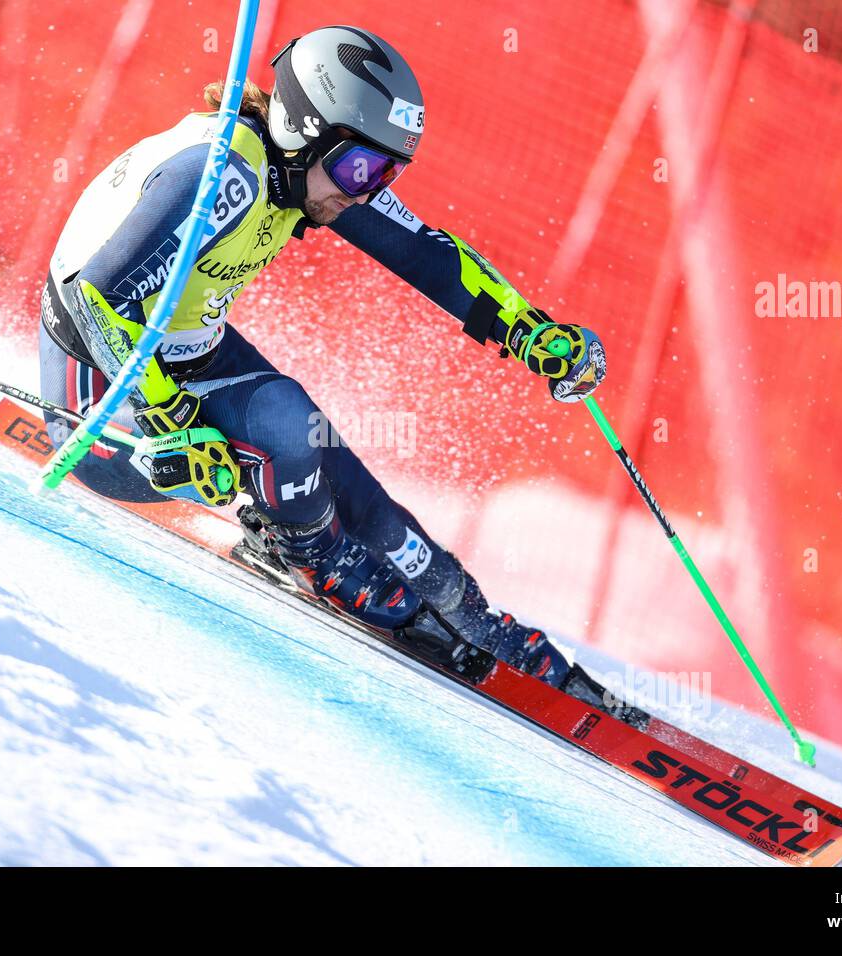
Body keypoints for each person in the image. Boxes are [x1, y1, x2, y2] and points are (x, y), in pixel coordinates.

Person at [38, 25, 619, 704]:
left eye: (387, 172)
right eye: (358, 170)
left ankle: (476, 622)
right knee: (287, 420)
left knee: (354, 490)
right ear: (301, 127)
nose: (367, 189)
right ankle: (312, 558)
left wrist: (527, 330)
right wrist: (172, 417)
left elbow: (425, 252)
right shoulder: (223, 174)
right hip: (100, 414)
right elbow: (94, 299)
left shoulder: (304, 176)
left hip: (185, 360)